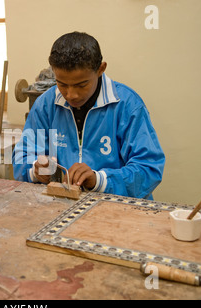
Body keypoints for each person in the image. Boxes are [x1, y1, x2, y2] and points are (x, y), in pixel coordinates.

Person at [12, 31, 165, 199]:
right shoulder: (45, 105)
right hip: (61, 207)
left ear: (100, 69)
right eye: (62, 84)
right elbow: (23, 157)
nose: (71, 95)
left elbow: (148, 169)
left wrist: (98, 180)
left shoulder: (127, 106)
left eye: (81, 85)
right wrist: (36, 170)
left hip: (117, 209)